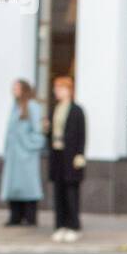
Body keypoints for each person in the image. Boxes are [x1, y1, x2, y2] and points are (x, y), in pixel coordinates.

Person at [0, 78, 46, 227]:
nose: (14, 91)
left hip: (26, 155)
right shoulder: (15, 107)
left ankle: (30, 217)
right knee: (14, 187)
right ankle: (15, 216)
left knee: (28, 186)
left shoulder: (32, 106)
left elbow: (38, 132)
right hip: (14, 155)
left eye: (17, 88)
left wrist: (27, 145)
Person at [46, 75, 86, 243]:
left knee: (71, 191)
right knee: (58, 190)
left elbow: (81, 135)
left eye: (60, 88)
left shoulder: (76, 110)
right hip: (57, 154)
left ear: (68, 90)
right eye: (55, 88)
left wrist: (80, 154)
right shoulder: (55, 109)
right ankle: (60, 225)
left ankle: (73, 225)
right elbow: (51, 132)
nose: (57, 91)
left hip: (71, 156)